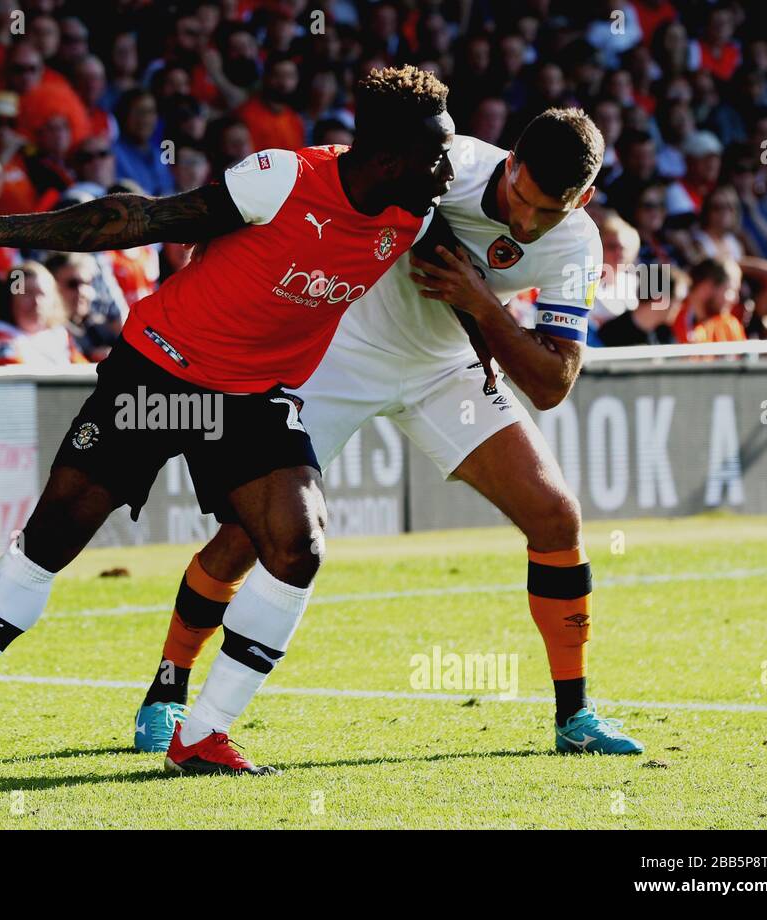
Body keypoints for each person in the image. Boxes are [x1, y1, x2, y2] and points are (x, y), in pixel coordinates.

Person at [0, 66, 454, 784]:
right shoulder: (281, 179)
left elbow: (454, 276)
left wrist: (487, 348)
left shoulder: (415, 212)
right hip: (160, 371)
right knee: (52, 538)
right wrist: (5, 230)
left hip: (248, 397)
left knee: (297, 545)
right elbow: (137, 217)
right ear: (390, 159)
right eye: (438, 156)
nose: (449, 170)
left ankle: (203, 734)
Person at [127, 109, 647, 759]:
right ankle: (166, 694)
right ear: (509, 161)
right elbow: (345, 184)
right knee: (248, 534)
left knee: (556, 517)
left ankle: (575, 717)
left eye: (548, 212)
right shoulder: (445, 161)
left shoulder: (578, 243)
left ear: (584, 200)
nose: (526, 222)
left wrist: (482, 309)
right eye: (521, 197)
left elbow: (551, 383)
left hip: (443, 372)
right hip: (340, 352)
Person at [0, 260, 86, 366]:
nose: (36, 302)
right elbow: (16, 376)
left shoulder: (59, 333)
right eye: (27, 294)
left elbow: (84, 371)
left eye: (42, 294)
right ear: (9, 299)